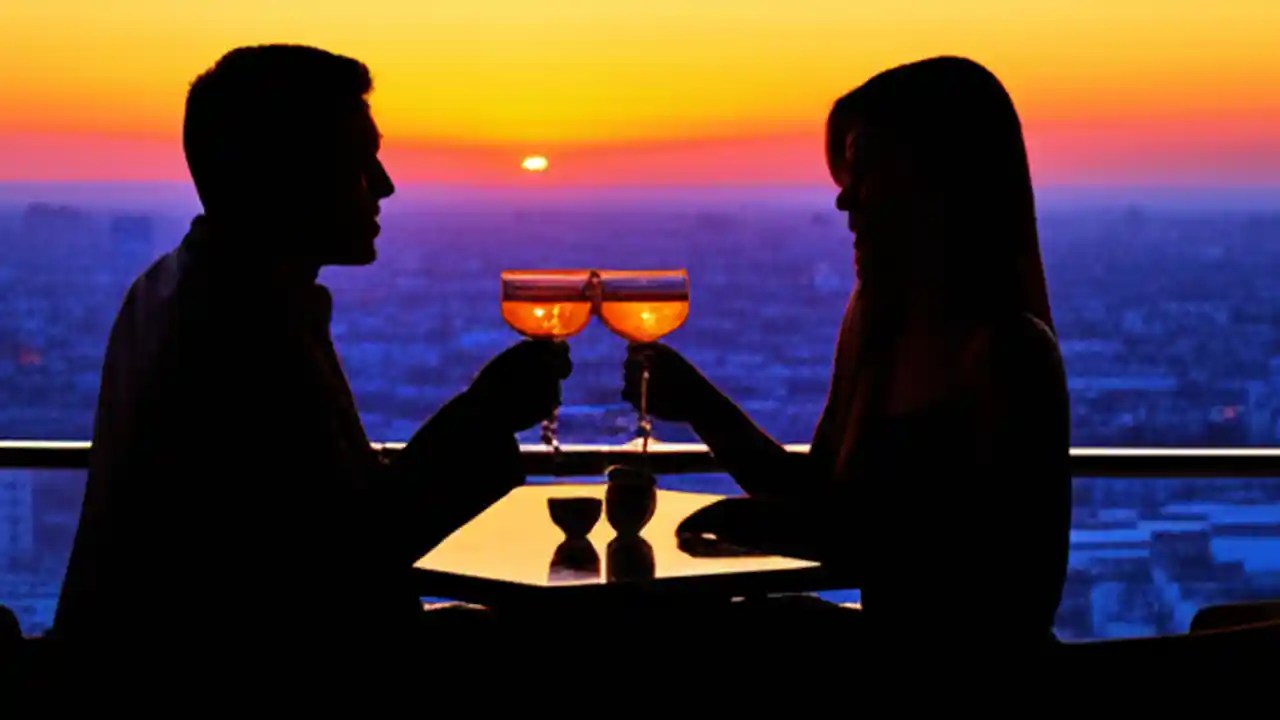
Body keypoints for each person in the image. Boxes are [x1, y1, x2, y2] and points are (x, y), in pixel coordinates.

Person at [52, 45, 570, 676]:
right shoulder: (240, 325)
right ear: (286, 174)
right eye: (359, 162)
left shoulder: (179, 291)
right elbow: (337, 557)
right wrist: (485, 417)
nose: (384, 185)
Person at [624, 56, 1071, 651]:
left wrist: (771, 528)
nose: (845, 203)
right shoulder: (877, 330)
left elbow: (993, 581)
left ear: (934, 180)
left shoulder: (1011, 355)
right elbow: (820, 496)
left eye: (864, 172)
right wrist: (701, 405)